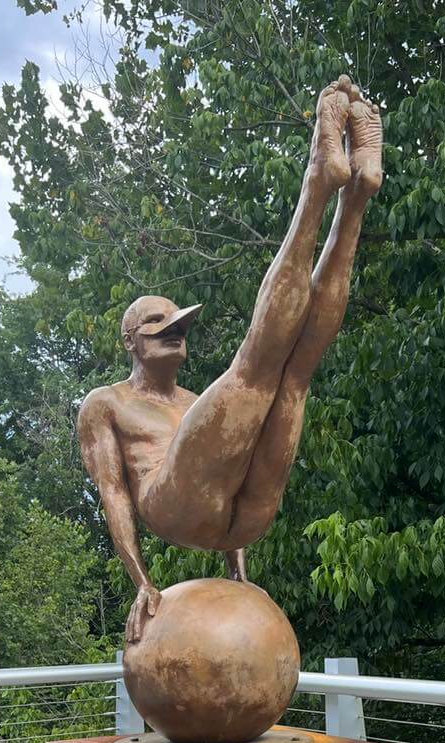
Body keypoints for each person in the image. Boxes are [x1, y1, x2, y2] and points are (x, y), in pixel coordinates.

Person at [78, 76, 383, 642]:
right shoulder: (107, 404)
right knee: (259, 366)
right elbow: (115, 495)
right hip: (171, 505)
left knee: (295, 376)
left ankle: (357, 197)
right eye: (157, 326)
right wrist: (141, 581)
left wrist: (236, 563)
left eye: (178, 327)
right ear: (130, 342)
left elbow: (232, 471)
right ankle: (318, 183)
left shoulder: (199, 407)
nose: (174, 334)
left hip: (243, 517)